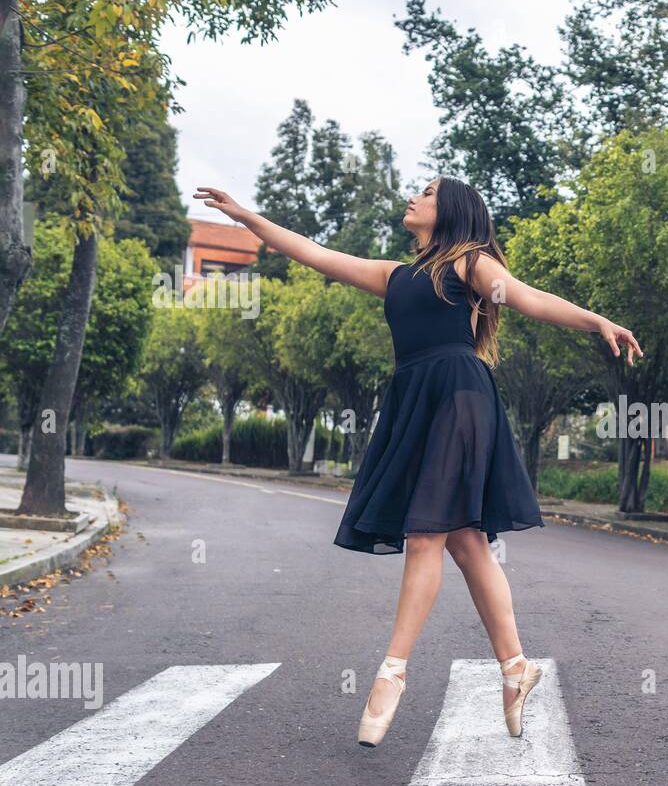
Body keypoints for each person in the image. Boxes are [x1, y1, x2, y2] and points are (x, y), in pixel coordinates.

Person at [193, 177, 642, 746]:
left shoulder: (469, 265)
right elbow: (313, 252)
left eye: (426, 192)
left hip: (459, 396)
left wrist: (596, 320)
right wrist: (244, 217)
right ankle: (515, 667)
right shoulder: (395, 276)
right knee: (463, 541)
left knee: (426, 534)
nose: (414, 196)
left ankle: (392, 673)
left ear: (448, 209)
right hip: (418, 402)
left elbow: (527, 297)